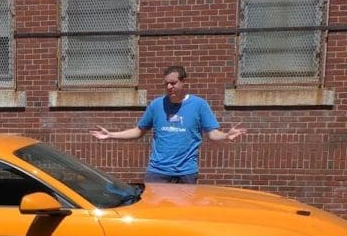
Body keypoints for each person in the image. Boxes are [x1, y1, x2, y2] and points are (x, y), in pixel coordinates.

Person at [89, 65, 246, 184]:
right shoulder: (156, 105)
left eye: (173, 83)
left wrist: (226, 135)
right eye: (166, 84)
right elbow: (138, 131)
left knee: (183, 215)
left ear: (183, 81)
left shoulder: (199, 105)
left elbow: (213, 133)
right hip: (157, 171)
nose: (169, 87)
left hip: (186, 172)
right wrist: (111, 135)